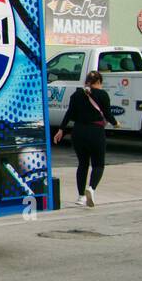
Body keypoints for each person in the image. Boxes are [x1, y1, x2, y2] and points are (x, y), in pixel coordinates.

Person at [53, 70, 119, 207]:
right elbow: (107, 114)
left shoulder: (77, 94)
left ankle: (81, 197)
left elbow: (69, 113)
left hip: (78, 133)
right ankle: (92, 188)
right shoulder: (103, 94)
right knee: (98, 164)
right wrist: (116, 123)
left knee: (83, 164)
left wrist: (61, 129)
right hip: (95, 132)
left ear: (86, 82)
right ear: (99, 82)